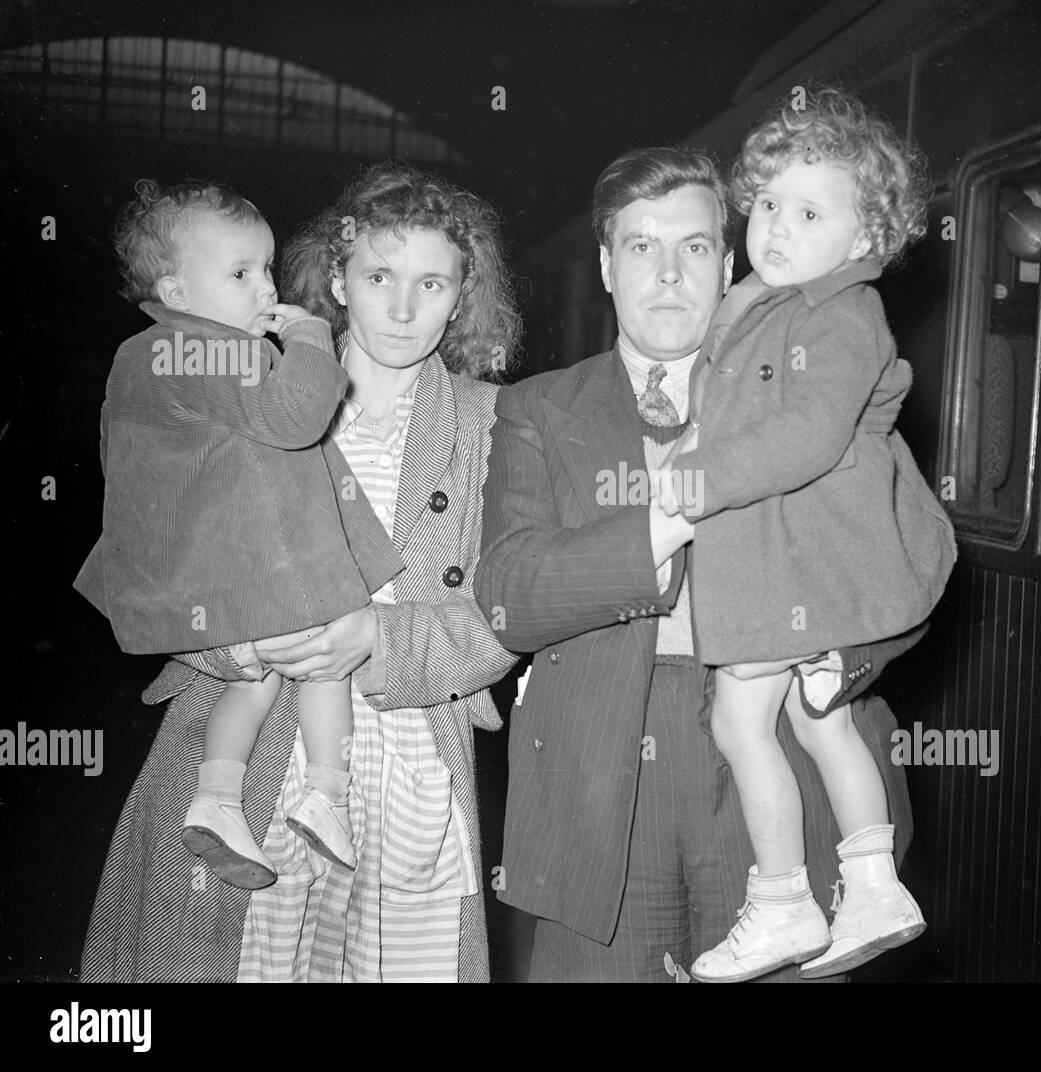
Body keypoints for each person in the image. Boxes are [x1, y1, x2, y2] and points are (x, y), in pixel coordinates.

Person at [477, 145, 926, 982]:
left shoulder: (821, 385)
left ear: (729, 263)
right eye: (641, 247)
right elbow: (508, 597)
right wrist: (664, 519)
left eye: (692, 247)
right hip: (606, 782)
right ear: (607, 268)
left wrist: (841, 660)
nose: (669, 272)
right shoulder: (538, 410)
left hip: (788, 758)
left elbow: (909, 554)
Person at [81, 161, 520, 982]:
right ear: (338, 281)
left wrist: (381, 641)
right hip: (245, 759)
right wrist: (229, 647)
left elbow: (512, 613)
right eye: (379, 275)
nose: (400, 306)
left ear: (463, 295)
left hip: (410, 777)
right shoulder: (241, 370)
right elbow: (146, 548)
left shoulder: (497, 422)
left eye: (432, 282)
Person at [657, 88, 956, 982]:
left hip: (805, 554)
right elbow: (726, 384)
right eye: (769, 205)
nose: (777, 227)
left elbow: (807, 434)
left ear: (865, 240)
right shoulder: (773, 303)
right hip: (805, 559)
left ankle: (782, 899)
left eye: (810, 211)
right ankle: (871, 887)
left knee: (738, 721)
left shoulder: (841, 315)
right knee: (820, 722)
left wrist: (693, 480)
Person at [75, 179, 404, 891]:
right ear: (177, 290)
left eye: (267, 269)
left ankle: (218, 802)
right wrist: (311, 339)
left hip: (209, 585)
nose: (264, 289)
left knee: (253, 686)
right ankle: (326, 793)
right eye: (240, 273)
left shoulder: (139, 358)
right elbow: (296, 419)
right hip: (271, 568)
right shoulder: (216, 351)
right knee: (327, 667)